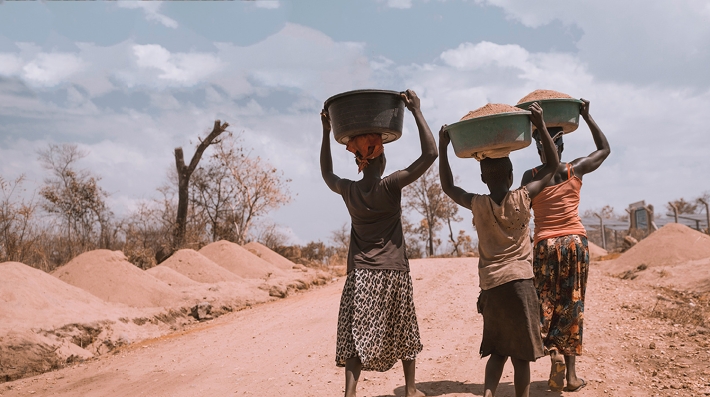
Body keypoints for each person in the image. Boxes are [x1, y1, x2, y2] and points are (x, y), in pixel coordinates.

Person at [320, 89, 437, 397]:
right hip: (393, 272)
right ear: (380, 159)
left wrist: (325, 132)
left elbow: (326, 173)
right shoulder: (391, 185)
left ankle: (350, 392)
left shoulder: (349, 190)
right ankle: (411, 389)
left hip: (360, 274)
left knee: (358, 333)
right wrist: (416, 111)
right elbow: (430, 155)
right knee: (403, 328)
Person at [439, 103, 559, 397]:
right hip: (520, 284)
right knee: (521, 356)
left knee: (497, 351)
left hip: (492, 287)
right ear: (511, 174)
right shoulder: (523, 197)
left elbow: (448, 186)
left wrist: (443, 149)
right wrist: (540, 126)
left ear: (482, 178)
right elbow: (553, 165)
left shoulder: (477, 204)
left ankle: (489, 394)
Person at [519, 99, 610, 392]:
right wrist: (587, 115)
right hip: (575, 243)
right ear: (561, 147)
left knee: (546, 304)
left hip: (546, 244)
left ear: (538, 147)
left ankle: (553, 353)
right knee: (573, 304)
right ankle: (571, 377)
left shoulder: (530, 177)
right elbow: (604, 149)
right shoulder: (575, 169)